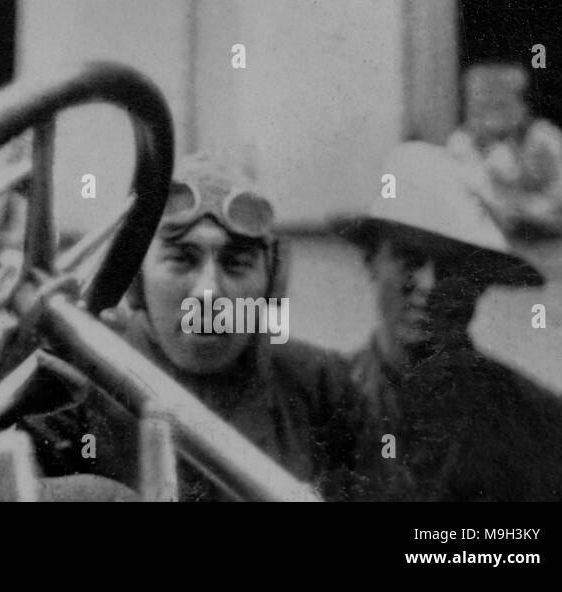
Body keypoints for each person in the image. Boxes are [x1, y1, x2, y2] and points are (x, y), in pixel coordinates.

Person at [30, 153, 364, 500]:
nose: (208, 292)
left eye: (235, 264)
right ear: (135, 277)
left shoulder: (321, 388)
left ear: (272, 282)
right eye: (181, 259)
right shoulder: (73, 390)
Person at [333, 141, 562, 500]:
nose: (429, 285)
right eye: (410, 258)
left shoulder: (544, 423)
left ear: (481, 285)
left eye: (453, 268)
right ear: (372, 261)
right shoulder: (322, 404)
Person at [445, 62, 562, 229]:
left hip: (537, 233)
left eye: (500, 105)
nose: (489, 115)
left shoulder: (544, 138)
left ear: (524, 106)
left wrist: (535, 205)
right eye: (480, 105)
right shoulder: (461, 142)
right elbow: (465, 197)